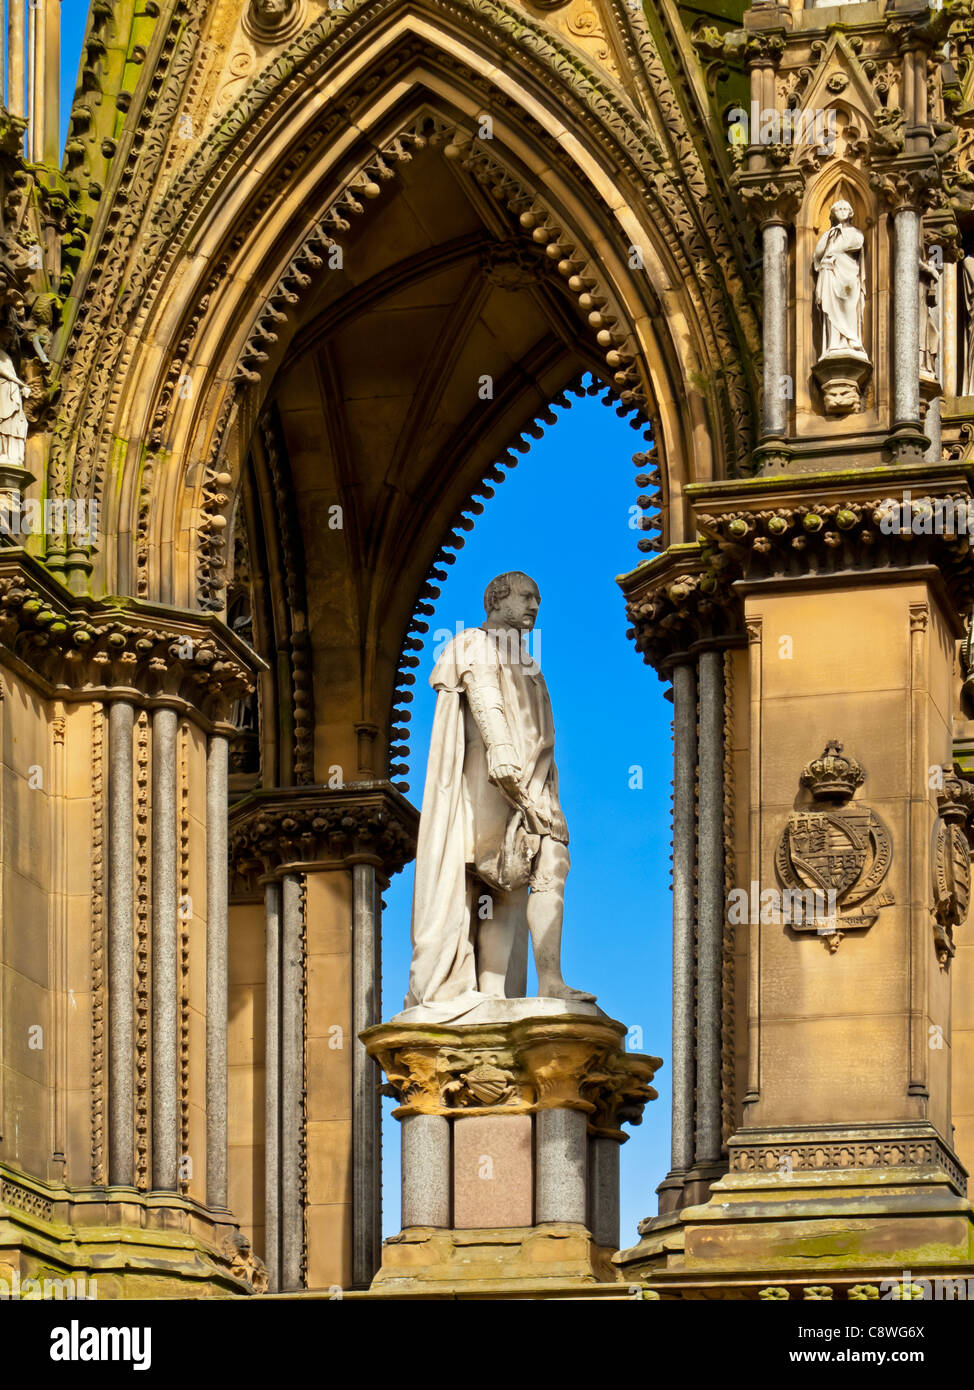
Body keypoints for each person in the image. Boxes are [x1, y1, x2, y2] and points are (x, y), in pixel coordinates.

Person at [403, 570, 594, 1019]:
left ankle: (549, 980)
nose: (533, 606)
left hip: (537, 781)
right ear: (497, 598)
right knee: (497, 874)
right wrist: (501, 752)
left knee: (549, 862)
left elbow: (541, 731)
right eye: (526, 597)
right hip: (485, 779)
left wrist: (539, 785)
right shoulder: (474, 641)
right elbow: (484, 694)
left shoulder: (530, 665)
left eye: (538, 600)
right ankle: (488, 990)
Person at [812, 200, 867, 359]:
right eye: (839, 209)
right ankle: (834, 343)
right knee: (831, 306)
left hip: (848, 276)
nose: (842, 211)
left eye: (845, 209)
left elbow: (854, 244)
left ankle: (850, 339)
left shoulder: (856, 233)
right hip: (831, 273)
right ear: (834, 214)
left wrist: (833, 251)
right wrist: (830, 236)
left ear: (850, 213)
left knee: (849, 305)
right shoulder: (830, 234)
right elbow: (818, 253)